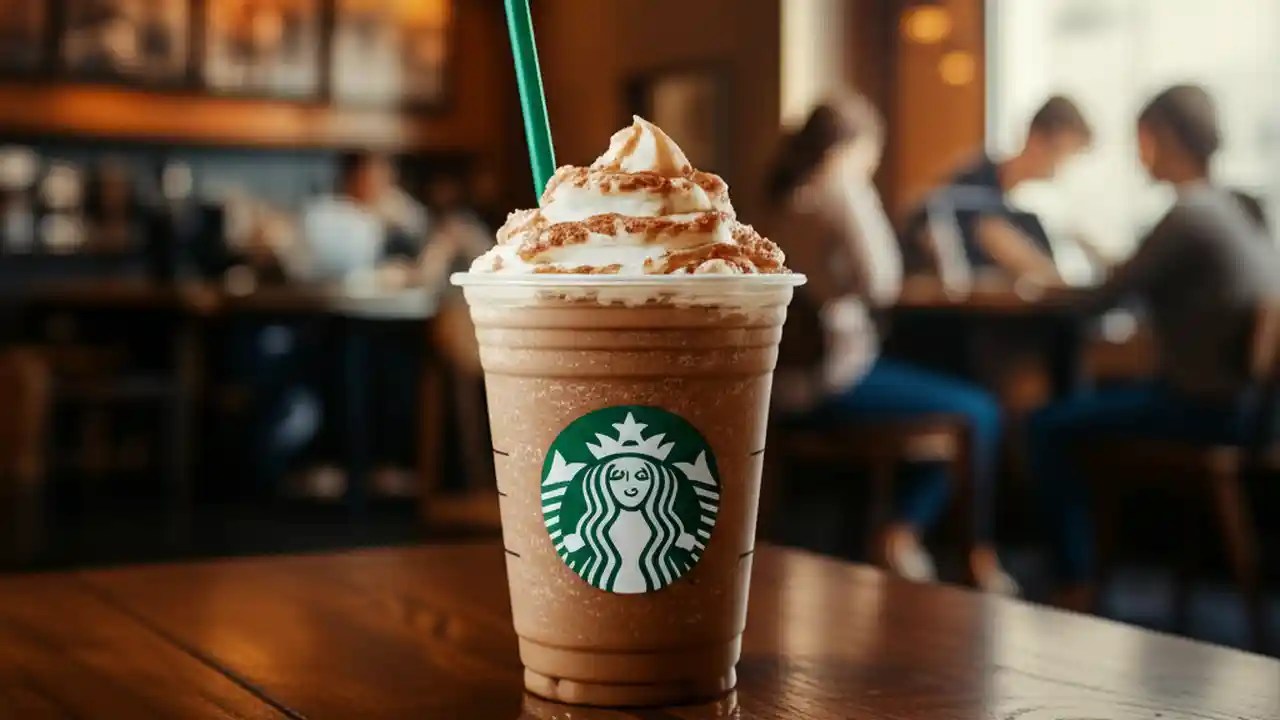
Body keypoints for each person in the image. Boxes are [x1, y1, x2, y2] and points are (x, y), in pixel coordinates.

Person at [1028, 85, 1280, 610]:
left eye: (1140, 139)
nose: (1138, 152)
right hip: (1247, 410)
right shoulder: (1237, 208)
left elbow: (1105, 298)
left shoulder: (1188, 216)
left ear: (1161, 137)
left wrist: (1041, 282)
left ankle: (1075, 580)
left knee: (1046, 426)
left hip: (1203, 408)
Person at [769, 95, 1014, 593]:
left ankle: (897, 532)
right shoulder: (840, 191)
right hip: (834, 381)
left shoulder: (783, 197)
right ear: (854, 147)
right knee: (979, 411)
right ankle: (936, 543)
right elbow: (882, 280)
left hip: (783, 386)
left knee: (945, 400)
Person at [906, 96, 1093, 286]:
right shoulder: (976, 187)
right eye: (1061, 153)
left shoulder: (1011, 203)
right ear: (1036, 140)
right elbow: (1013, 252)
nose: (1063, 166)